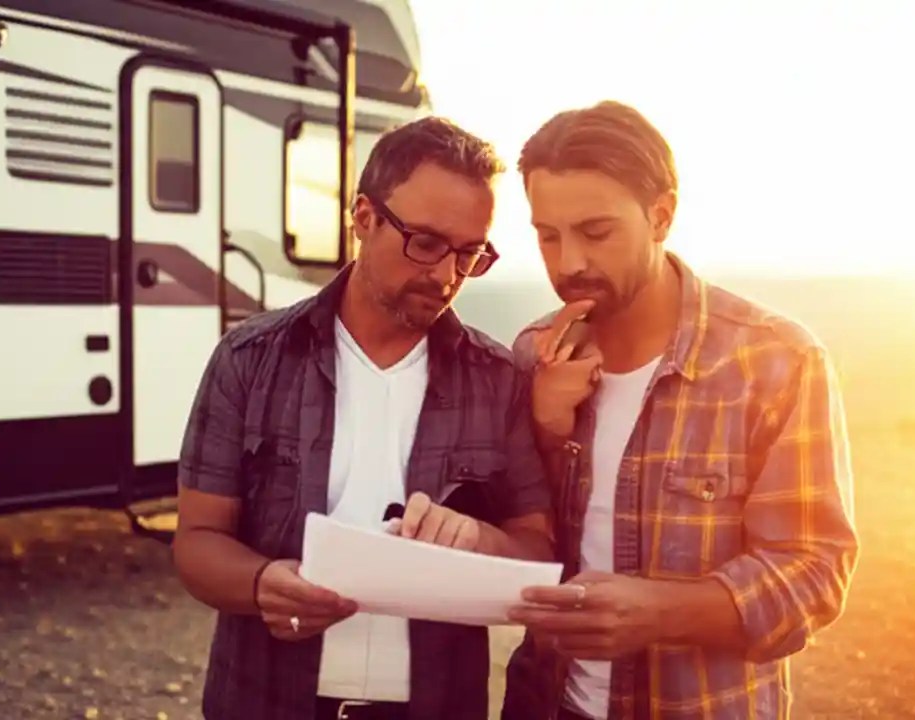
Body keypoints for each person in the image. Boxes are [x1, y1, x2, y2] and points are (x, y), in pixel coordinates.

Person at [172, 116, 555, 720]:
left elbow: (538, 552)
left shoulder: (497, 379)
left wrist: (477, 540)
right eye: (425, 243)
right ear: (363, 217)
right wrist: (262, 583)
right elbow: (196, 541)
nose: (446, 276)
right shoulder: (249, 359)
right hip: (266, 701)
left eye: (469, 254)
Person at [500, 100, 860, 720]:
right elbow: (522, 540)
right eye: (547, 235)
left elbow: (813, 574)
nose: (568, 262)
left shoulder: (775, 361)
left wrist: (659, 613)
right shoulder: (535, 354)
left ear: (661, 215)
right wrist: (547, 430)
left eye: (596, 232)